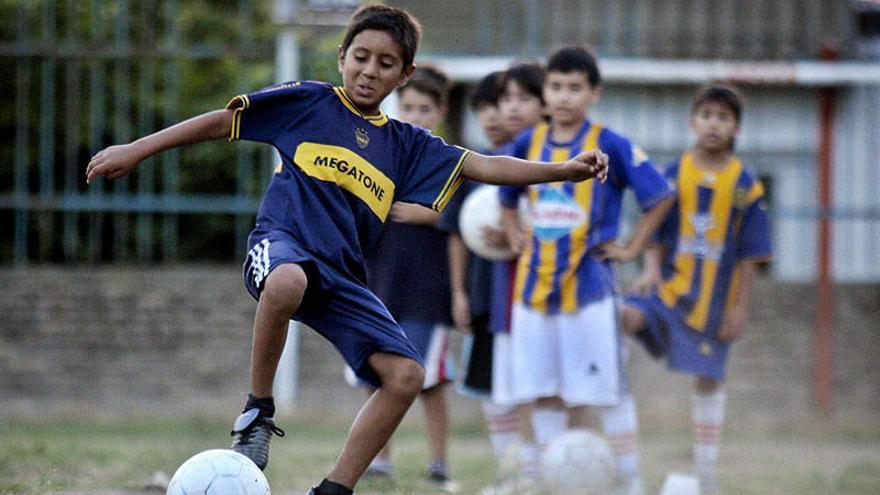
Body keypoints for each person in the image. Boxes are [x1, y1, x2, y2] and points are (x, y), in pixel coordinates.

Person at [84, 5, 609, 495]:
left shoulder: (406, 145)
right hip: (281, 245)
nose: (369, 71)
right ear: (342, 56)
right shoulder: (309, 103)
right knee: (288, 280)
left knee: (407, 376)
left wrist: (562, 170)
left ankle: (334, 489)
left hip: (342, 276)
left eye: (386, 63)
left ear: (404, 75)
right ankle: (257, 412)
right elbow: (224, 121)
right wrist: (138, 148)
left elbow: (484, 165)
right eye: (361, 57)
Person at [497, 46, 675, 495]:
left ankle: (630, 482)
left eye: (574, 88)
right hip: (533, 292)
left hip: (590, 291)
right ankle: (550, 481)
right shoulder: (527, 143)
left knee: (606, 391)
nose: (563, 96)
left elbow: (661, 196)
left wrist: (633, 246)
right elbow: (504, 191)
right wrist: (512, 228)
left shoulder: (610, 144)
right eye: (556, 86)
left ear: (594, 93)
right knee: (543, 390)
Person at [621, 84, 772, 495]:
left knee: (708, 379)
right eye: (706, 115)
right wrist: (650, 269)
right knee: (623, 318)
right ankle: (624, 461)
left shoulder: (745, 185)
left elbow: (750, 255)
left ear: (736, 128)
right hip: (667, 291)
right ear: (692, 122)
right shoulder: (673, 174)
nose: (713, 124)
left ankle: (706, 477)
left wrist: (739, 309)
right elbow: (654, 228)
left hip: (713, 305)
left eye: (723, 117)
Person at [348, 64, 458, 491]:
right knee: (376, 375)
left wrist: (429, 214)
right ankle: (379, 461)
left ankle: (439, 462)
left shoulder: (449, 162)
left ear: (441, 112)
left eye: (424, 109)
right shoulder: (380, 155)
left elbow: (465, 218)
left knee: (429, 381)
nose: (415, 116)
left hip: (427, 293)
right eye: (408, 107)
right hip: (379, 285)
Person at [438, 70, 520, 479]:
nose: (490, 117)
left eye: (497, 106)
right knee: (491, 386)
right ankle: (510, 471)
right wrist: (459, 292)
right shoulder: (473, 168)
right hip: (485, 295)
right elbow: (455, 233)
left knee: (533, 388)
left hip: (529, 296)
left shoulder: (537, 166)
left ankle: (535, 468)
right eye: (481, 109)